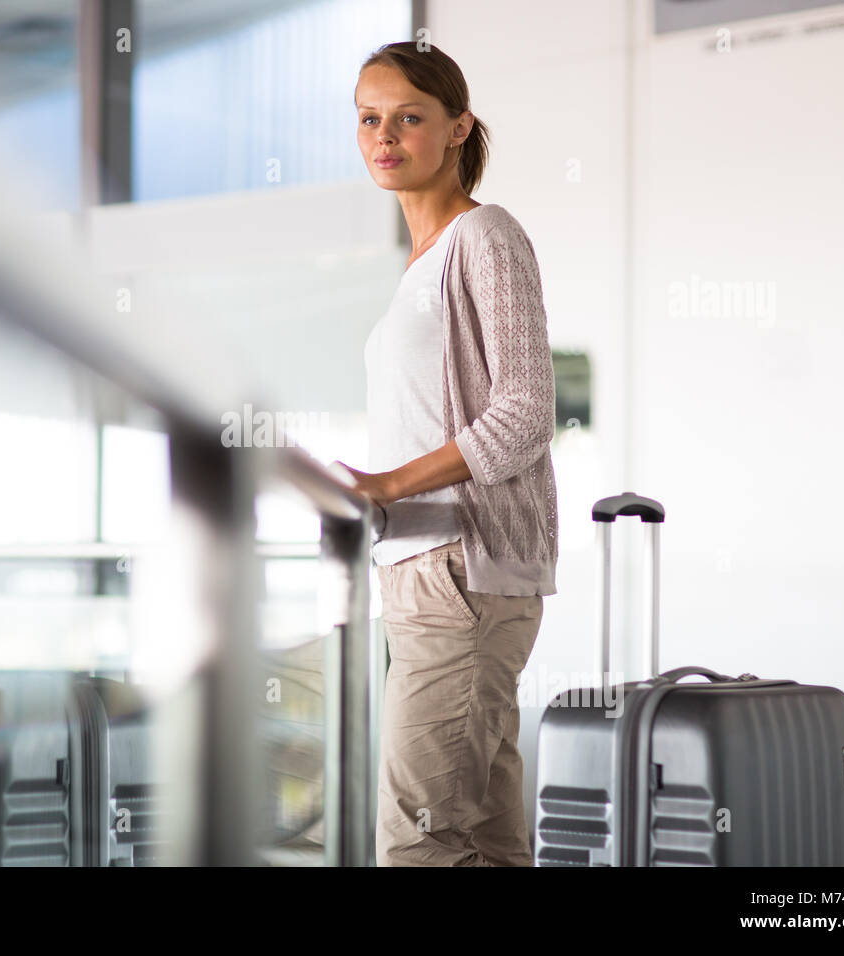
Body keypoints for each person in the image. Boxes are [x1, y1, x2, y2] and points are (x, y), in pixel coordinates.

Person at [334, 41, 559, 867]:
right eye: (368, 119)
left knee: (418, 835)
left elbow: (527, 412)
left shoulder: (484, 236)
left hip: (465, 567)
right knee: (483, 834)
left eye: (409, 118)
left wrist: (387, 483)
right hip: (425, 567)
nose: (384, 136)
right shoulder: (419, 266)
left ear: (458, 126)